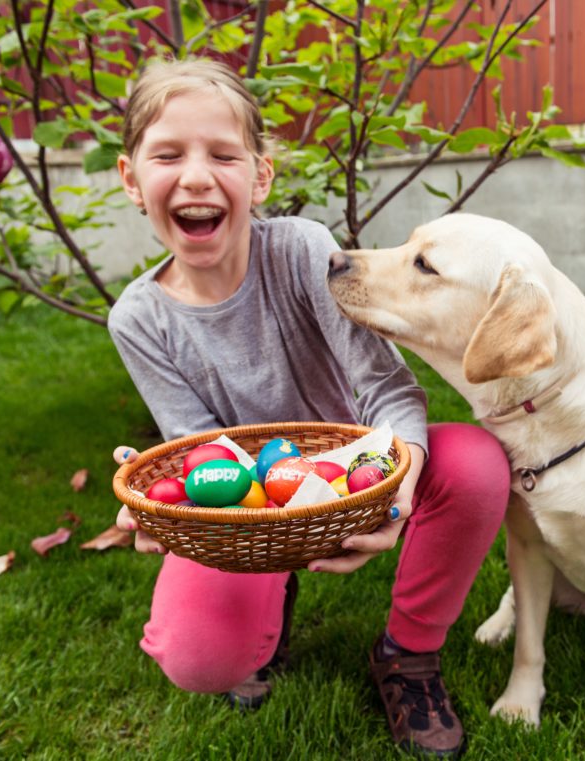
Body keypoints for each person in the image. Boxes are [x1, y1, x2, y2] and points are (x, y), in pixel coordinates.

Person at [106, 57, 509, 758]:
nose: (197, 176)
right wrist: (166, 506)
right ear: (131, 179)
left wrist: (399, 482)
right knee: (201, 657)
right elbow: (202, 455)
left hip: (355, 472)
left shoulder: (300, 252)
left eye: (223, 155)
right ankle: (270, 594)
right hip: (254, 503)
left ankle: (407, 654)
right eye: (167, 154)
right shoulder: (138, 318)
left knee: (475, 465)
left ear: (259, 177)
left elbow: (386, 390)